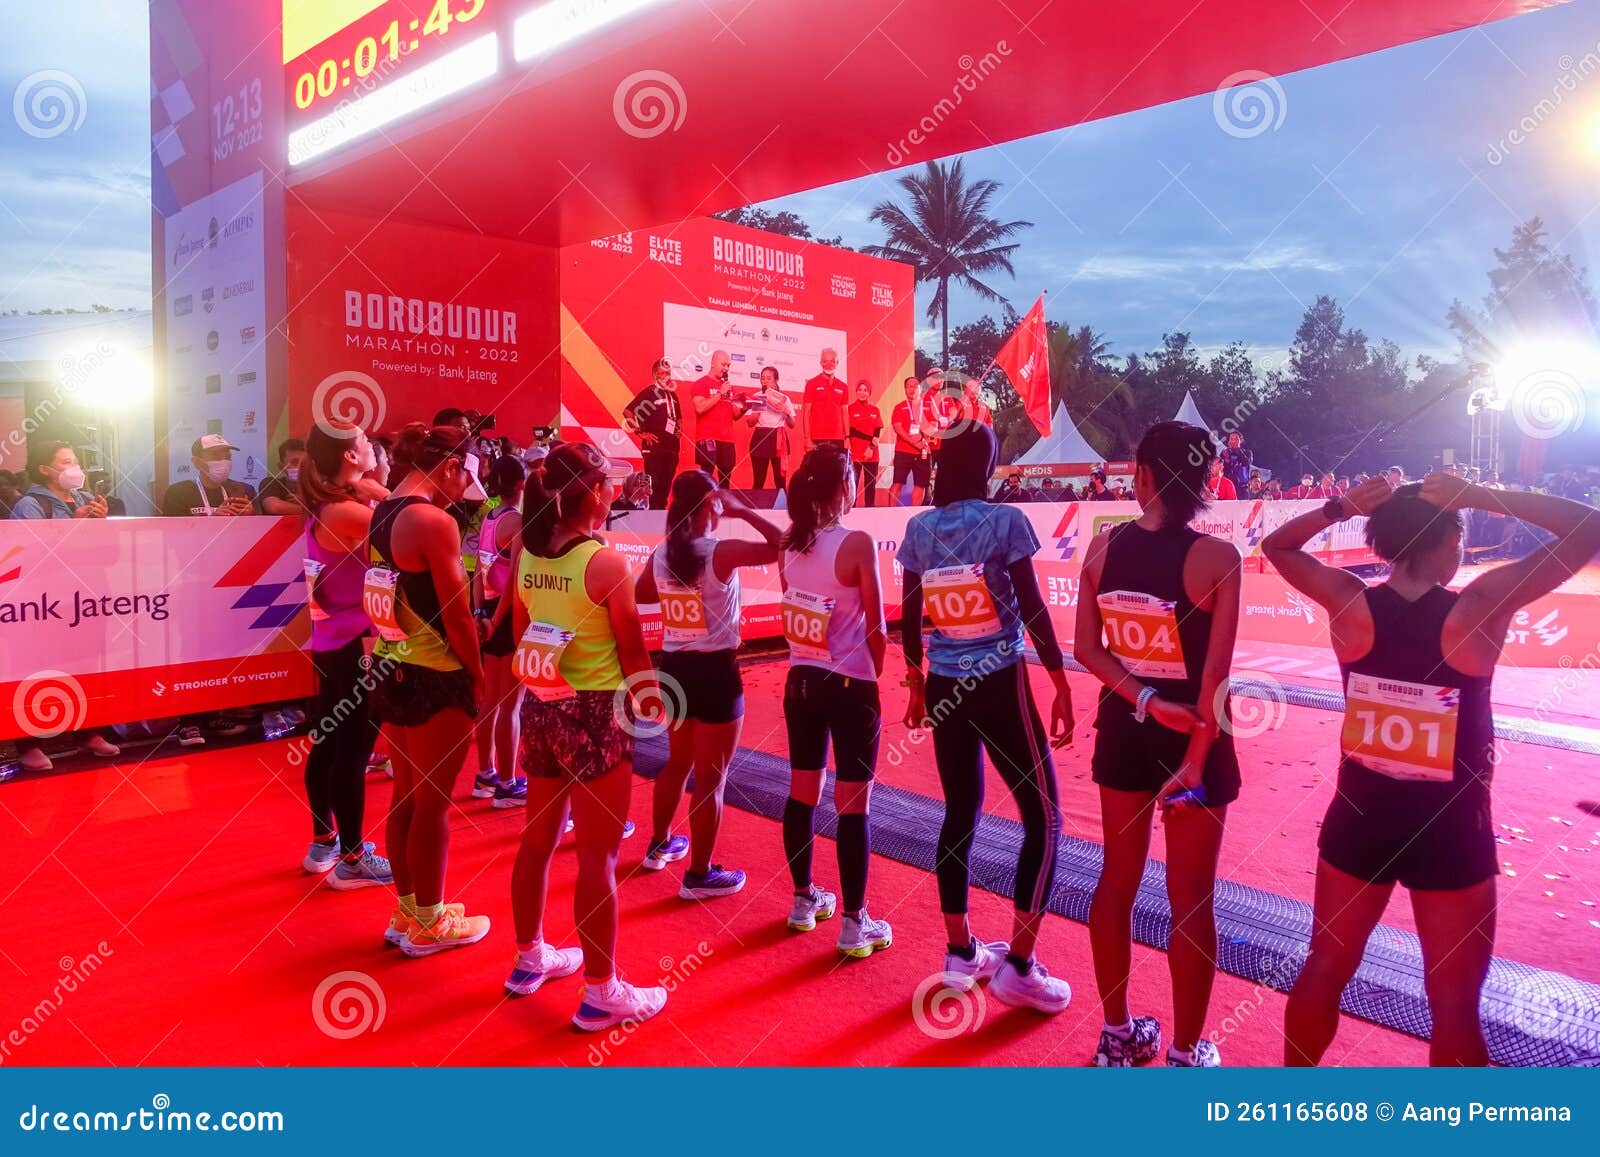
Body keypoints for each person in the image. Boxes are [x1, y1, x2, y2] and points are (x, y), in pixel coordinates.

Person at [1269, 474, 1600, 1066]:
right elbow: (1589, 528)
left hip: (1360, 819)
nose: (1462, 551)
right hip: (1451, 830)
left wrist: (1341, 507)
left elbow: (1278, 549)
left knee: (1325, 966)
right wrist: (1478, 495)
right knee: (1451, 1006)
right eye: (1459, 538)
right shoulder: (1478, 606)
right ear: (1443, 539)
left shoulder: (1349, 601)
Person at [1075, 422, 1243, 1068]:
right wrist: (1196, 760)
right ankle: (1184, 1050)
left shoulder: (1100, 550)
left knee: (1116, 883)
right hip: (1194, 744)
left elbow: (1087, 649)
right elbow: (1215, 680)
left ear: (1142, 475)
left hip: (1125, 730)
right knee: (1192, 898)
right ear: (1204, 482)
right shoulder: (1217, 560)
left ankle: (1116, 1035)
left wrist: (1142, 700)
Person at [897, 424, 1075, 1012]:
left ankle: (959, 951)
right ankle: (1019, 967)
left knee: (960, 811)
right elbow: (1032, 605)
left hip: (947, 685)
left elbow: (911, 614)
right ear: (989, 463)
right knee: (1044, 819)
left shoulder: (918, 530)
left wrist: (917, 683)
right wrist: (1058, 680)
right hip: (1001, 682)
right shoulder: (1005, 522)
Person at [507, 442, 668, 1030]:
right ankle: (602, 990)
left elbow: (524, 636)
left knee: (537, 841)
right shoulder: (605, 564)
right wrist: (656, 703)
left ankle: (530, 958)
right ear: (595, 493)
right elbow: (632, 650)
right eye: (609, 485)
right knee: (598, 856)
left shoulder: (529, 553)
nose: (615, 493)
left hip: (545, 711)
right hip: (599, 716)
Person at [366, 423, 490, 957]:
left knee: (407, 797)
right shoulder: (433, 520)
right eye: (467, 475)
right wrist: (480, 677)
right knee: (434, 806)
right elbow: (458, 616)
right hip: (436, 672)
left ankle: (409, 909)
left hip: (391, 664)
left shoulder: (385, 509)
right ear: (450, 467)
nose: (467, 488)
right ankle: (431, 922)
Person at [636, 473, 782, 895]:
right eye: (716, 501)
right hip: (716, 671)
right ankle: (699, 875)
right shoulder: (721, 552)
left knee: (677, 762)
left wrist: (676, 593)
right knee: (711, 779)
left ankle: (659, 844)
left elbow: (642, 594)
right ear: (707, 505)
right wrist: (742, 511)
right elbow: (784, 545)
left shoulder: (664, 552)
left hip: (675, 669)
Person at [778, 448, 889, 955]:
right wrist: (875, 674)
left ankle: (803, 901)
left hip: (801, 681)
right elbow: (878, 628)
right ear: (844, 487)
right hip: (850, 686)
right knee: (853, 805)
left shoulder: (790, 545)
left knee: (802, 793)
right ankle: (853, 921)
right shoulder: (857, 543)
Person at [296, 420, 393, 889]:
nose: (371, 446)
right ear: (350, 457)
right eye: (363, 443)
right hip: (355, 645)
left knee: (330, 744)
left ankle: (325, 841)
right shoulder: (347, 512)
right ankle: (353, 857)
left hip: (333, 642)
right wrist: (384, 488)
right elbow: (410, 531)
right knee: (351, 750)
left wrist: (367, 486)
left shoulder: (330, 504)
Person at [469, 456, 529, 810]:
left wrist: (479, 613)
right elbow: (516, 583)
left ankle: (485, 775)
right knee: (511, 705)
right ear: (521, 484)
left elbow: (478, 571)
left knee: (490, 701)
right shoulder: (518, 522)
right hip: (505, 617)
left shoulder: (490, 518)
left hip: (487, 612)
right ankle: (507, 784)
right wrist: (497, 620)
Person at [623, 358, 682, 508]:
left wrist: (679, 428)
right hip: (654, 446)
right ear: (655, 375)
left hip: (672, 447)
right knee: (653, 484)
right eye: (662, 373)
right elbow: (628, 412)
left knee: (666, 485)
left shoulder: (672, 395)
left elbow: (678, 417)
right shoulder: (649, 392)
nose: (665, 376)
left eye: (668, 373)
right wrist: (640, 432)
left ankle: (660, 515)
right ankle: (651, 516)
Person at [9, 442, 108, 520]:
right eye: (67, 462)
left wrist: (101, 519)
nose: (75, 467)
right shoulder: (30, 505)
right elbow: (26, 544)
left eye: (76, 462)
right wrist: (73, 524)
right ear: (44, 469)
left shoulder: (87, 499)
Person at [162, 435, 257, 516]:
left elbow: (259, 531)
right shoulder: (177, 493)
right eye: (215, 456)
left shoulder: (245, 490)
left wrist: (251, 517)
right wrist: (211, 522)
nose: (223, 462)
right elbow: (174, 532)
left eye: (228, 457)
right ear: (196, 462)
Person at [691, 350, 745, 487]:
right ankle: (704, 507)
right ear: (713, 363)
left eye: (728, 366)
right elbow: (700, 408)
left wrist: (745, 408)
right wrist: (720, 393)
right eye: (723, 364)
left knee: (725, 482)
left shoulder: (729, 388)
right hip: (708, 438)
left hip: (727, 440)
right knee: (706, 481)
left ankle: (724, 508)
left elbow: (734, 415)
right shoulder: (701, 384)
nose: (726, 369)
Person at [743, 365, 796, 490]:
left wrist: (786, 411)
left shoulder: (784, 398)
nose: (765, 381)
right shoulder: (756, 397)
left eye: (768, 378)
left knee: (780, 481)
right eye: (762, 378)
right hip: (760, 437)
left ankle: (783, 508)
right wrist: (759, 407)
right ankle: (755, 508)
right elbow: (750, 423)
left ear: (776, 380)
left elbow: (792, 424)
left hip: (778, 438)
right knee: (758, 480)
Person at [888, 377, 938, 506]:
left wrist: (924, 439)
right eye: (909, 386)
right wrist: (914, 442)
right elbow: (898, 428)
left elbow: (934, 424)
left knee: (920, 485)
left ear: (920, 388)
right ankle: (890, 513)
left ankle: (914, 513)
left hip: (923, 451)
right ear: (905, 389)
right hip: (903, 451)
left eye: (915, 386)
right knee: (897, 483)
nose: (912, 389)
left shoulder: (928, 405)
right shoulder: (899, 407)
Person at [802, 348, 849, 452]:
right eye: (825, 361)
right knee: (817, 468)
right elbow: (806, 413)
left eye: (832, 361)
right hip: (817, 438)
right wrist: (807, 438)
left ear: (837, 362)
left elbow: (845, 412)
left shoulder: (843, 386)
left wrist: (847, 437)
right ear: (820, 363)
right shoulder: (811, 384)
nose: (829, 364)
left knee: (836, 468)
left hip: (838, 438)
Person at [846, 380, 883, 507]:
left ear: (869, 393)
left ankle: (870, 514)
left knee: (870, 486)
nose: (862, 393)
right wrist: (868, 438)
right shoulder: (849, 409)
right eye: (859, 389)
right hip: (854, 453)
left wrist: (871, 447)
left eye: (865, 390)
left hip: (872, 454)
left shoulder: (875, 410)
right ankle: (852, 511)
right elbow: (851, 431)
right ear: (856, 391)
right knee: (853, 485)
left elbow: (877, 431)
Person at [258, 438, 308, 515]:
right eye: (294, 462)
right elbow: (275, 507)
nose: (300, 467)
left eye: (304, 462)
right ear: (281, 466)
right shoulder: (270, 483)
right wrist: (312, 509)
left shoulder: (318, 488)